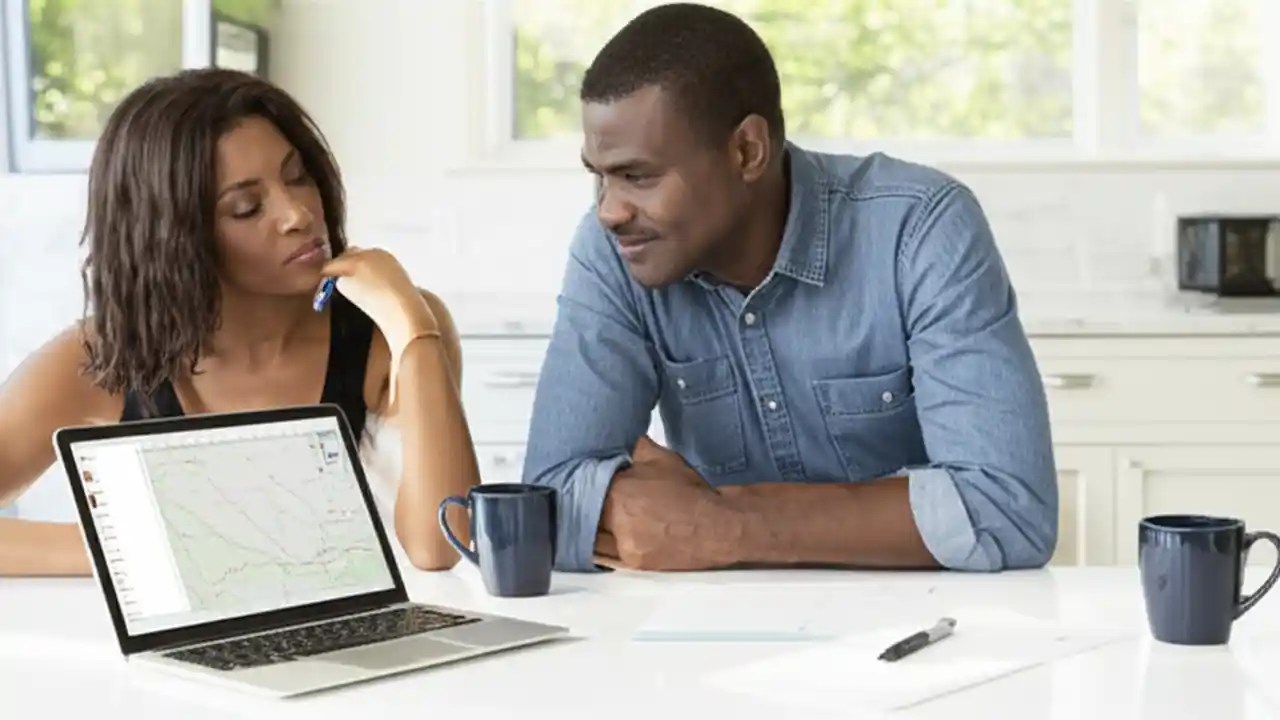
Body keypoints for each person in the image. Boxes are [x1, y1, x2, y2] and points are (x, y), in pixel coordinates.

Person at [523, 3, 1057, 573]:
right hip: (710, 638)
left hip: (924, 631)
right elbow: (550, 501)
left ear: (747, 151)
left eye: (639, 175)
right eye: (598, 175)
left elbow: (1009, 508)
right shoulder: (617, 246)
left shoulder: (918, 228)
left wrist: (729, 526)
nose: (609, 210)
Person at [0, 68, 480, 575]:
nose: (297, 213)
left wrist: (415, 327)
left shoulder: (392, 332)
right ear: (175, 238)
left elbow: (442, 545)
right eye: (247, 208)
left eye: (298, 176)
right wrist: (134, 548)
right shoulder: (100, 355)